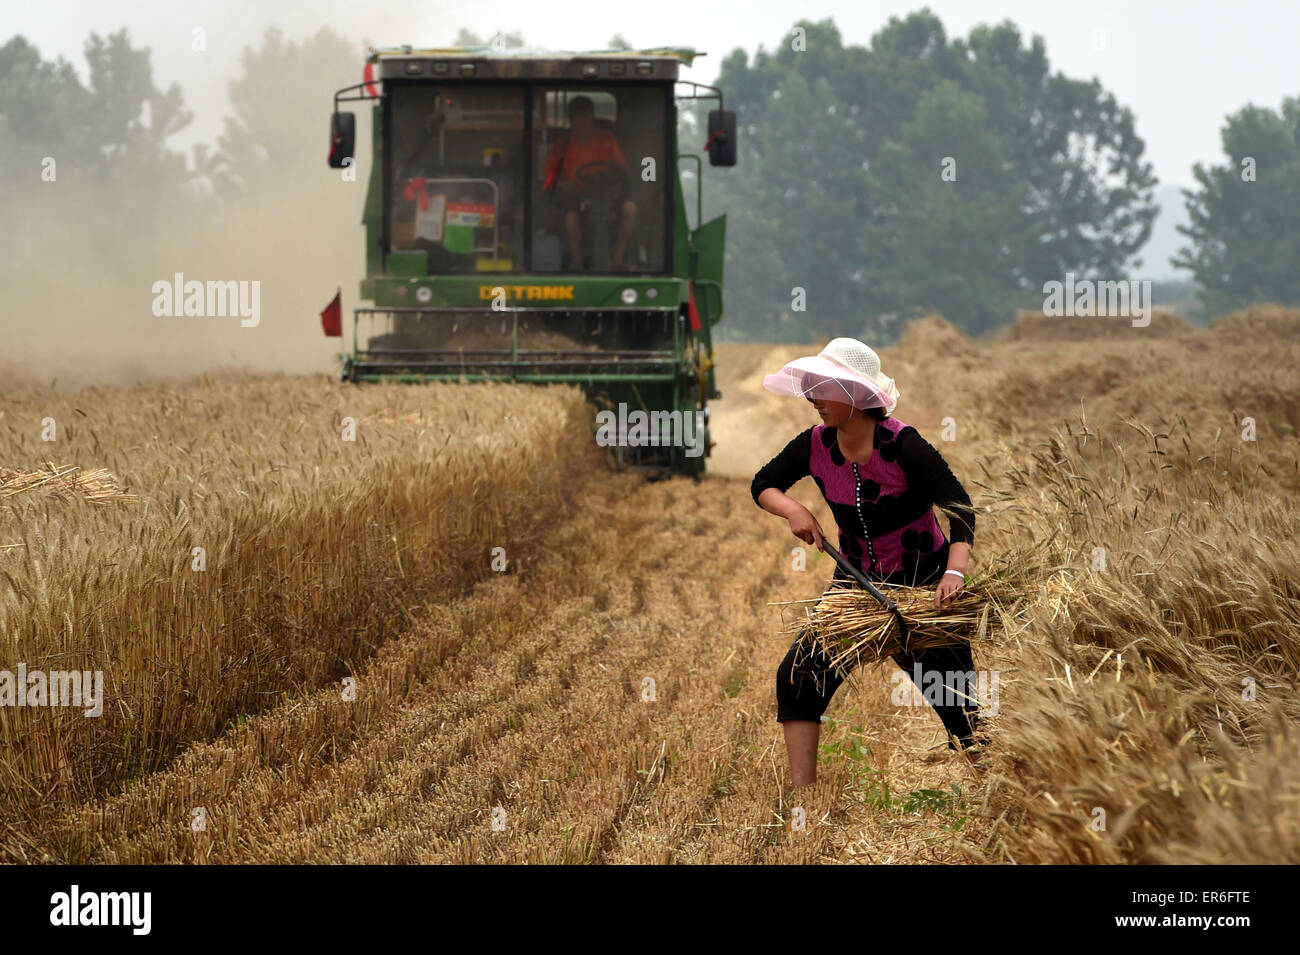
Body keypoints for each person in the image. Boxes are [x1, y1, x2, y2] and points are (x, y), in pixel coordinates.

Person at [751, 337, 988, 789]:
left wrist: (954, 573)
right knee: (799, 674)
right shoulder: (814, 444)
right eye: (812, 386)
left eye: (824, 387)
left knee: (956, 701)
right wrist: (794, 510)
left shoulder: (905, 446)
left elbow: (960, 511)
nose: (812, 397)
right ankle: (804, 793)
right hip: (856, 583)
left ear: (858, 396)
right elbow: (764, 484)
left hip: (922, 587)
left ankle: (995, 790)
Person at [541, 95, 638, 269]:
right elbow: (549, 177)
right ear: (571, 120)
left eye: (586, 116)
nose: (583, 121)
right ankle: (577, 261)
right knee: (571, 218)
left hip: (607, 191)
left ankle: (617, 258)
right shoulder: (561, 144)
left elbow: (622, 168)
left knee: (630, 209)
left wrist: (611, 179)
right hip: (576, 194)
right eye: (578, 117)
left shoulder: (607, 138)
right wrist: (565, 186)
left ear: (592, 117)